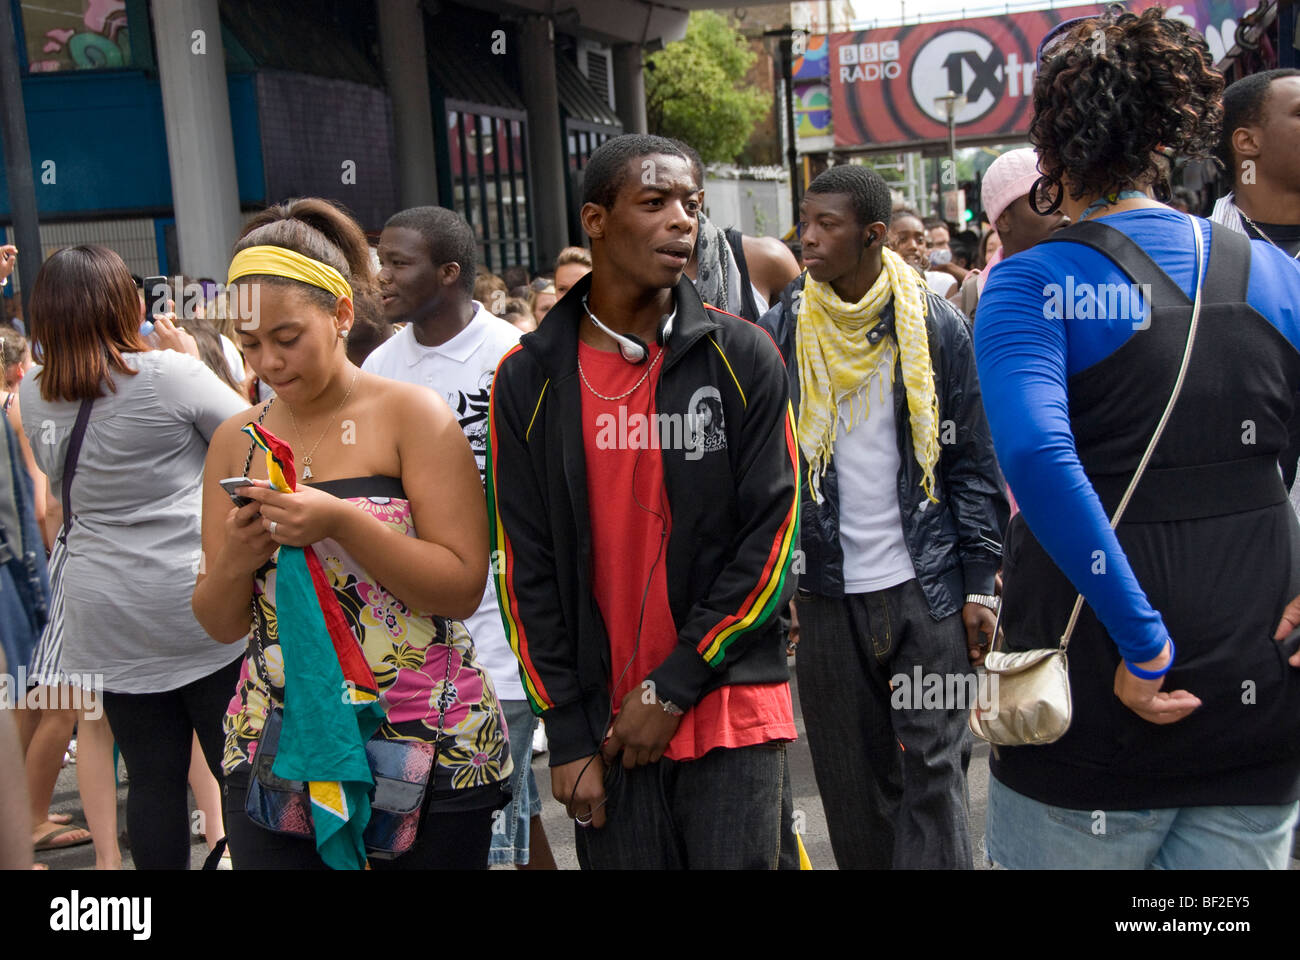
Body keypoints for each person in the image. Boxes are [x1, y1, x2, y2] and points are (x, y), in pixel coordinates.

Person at [976, 7, 1300, 869]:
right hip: (1256, 685)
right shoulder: (1276, 274)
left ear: (1049, 152)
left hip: (1092, 691)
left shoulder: (1028, 285)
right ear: (1169, 134)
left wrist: (1143, 641)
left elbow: (1041, 460)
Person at [489, 134, 801, 870]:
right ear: (595, 219)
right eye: (654, 203)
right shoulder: (528, 377)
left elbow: (774, 540)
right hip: (604, 733)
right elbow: (522, 566)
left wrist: (673, 686)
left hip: (729, 708)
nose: (682, 222)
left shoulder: (744, 354)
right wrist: (566, 731)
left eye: (691, 205)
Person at [193, 197, 511, 870]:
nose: (269, 363)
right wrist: (238, 558)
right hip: (280, 743)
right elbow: (219, 621)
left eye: (287, 338)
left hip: (428, 737)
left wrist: (340, 522)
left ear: (340, 315)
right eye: (250, 346)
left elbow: (458, 585)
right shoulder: (235, 440)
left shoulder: (410, 415)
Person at [758, 165, 1007, 869]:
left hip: (925, 590)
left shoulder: (936, 324)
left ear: (872, 236)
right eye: (803, 221)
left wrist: (979, 582)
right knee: (851, 787)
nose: (806, 236)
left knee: (936, 775)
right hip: (827, 596)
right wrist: (782, 585)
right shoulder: (781, 329)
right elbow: (768, 475)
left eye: (825, 224)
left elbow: (972, 464)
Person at [21, 245, 247, 870]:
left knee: (150, 778)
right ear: (123, 304)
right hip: (194, 599)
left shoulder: (32, 395)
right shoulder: (170, 376)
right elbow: (254, 435)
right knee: (239, 766)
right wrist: (194, 360)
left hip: (103, 607)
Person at [365, 203, 555, 870]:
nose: (380, 276)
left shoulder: (513, 356)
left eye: (397, 263)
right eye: (378, 261)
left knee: (493, 832)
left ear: (449, 273)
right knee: (509, 814)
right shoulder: (380, 370)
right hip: (416, 641)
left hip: (504, 634)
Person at [670, 140, 802, 323]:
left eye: (688, 204)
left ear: (700, 200)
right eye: (654, 202)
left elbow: (804, 339)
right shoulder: (625, 280)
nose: (677, 218)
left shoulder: (766, 260)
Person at [954, 148, 1070, 322]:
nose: (1059, 209)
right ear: (1003, 219)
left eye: (1062, 196)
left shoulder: (1095, 283)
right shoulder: (962, 309)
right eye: (1043, 199)